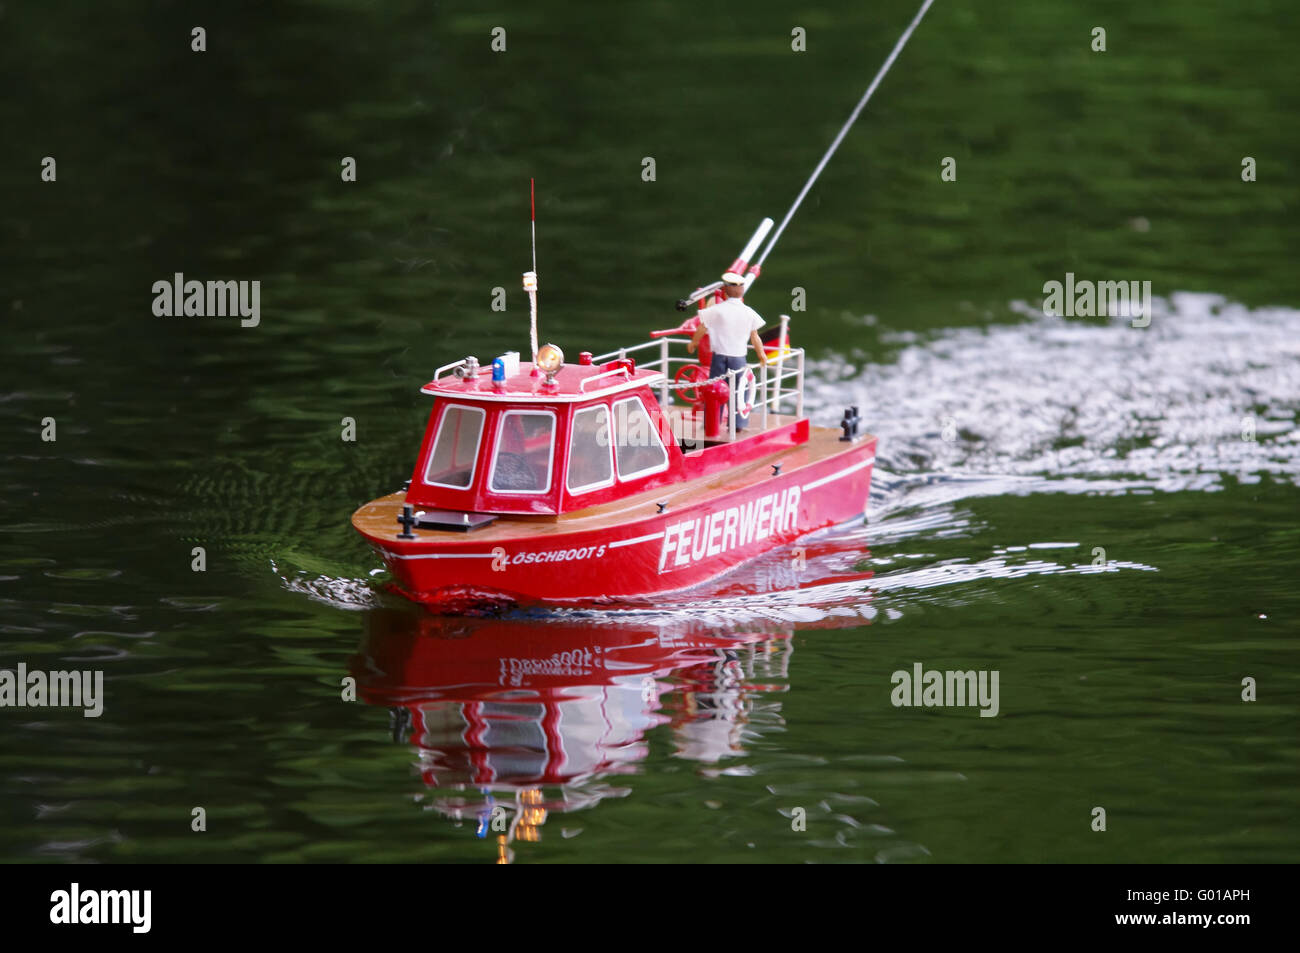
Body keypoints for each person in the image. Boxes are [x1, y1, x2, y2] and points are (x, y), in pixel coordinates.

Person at [687, 272, 765, 430]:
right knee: (739, 391)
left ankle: (712, 421)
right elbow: (755, 336)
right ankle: (738, 424)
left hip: (719, 356)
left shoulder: (717, 310)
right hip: (738, 357)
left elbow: (702, 328)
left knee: (714, 389)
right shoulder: (748, 312)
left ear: (724, 289)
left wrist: (694, 343)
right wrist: (761, 354)